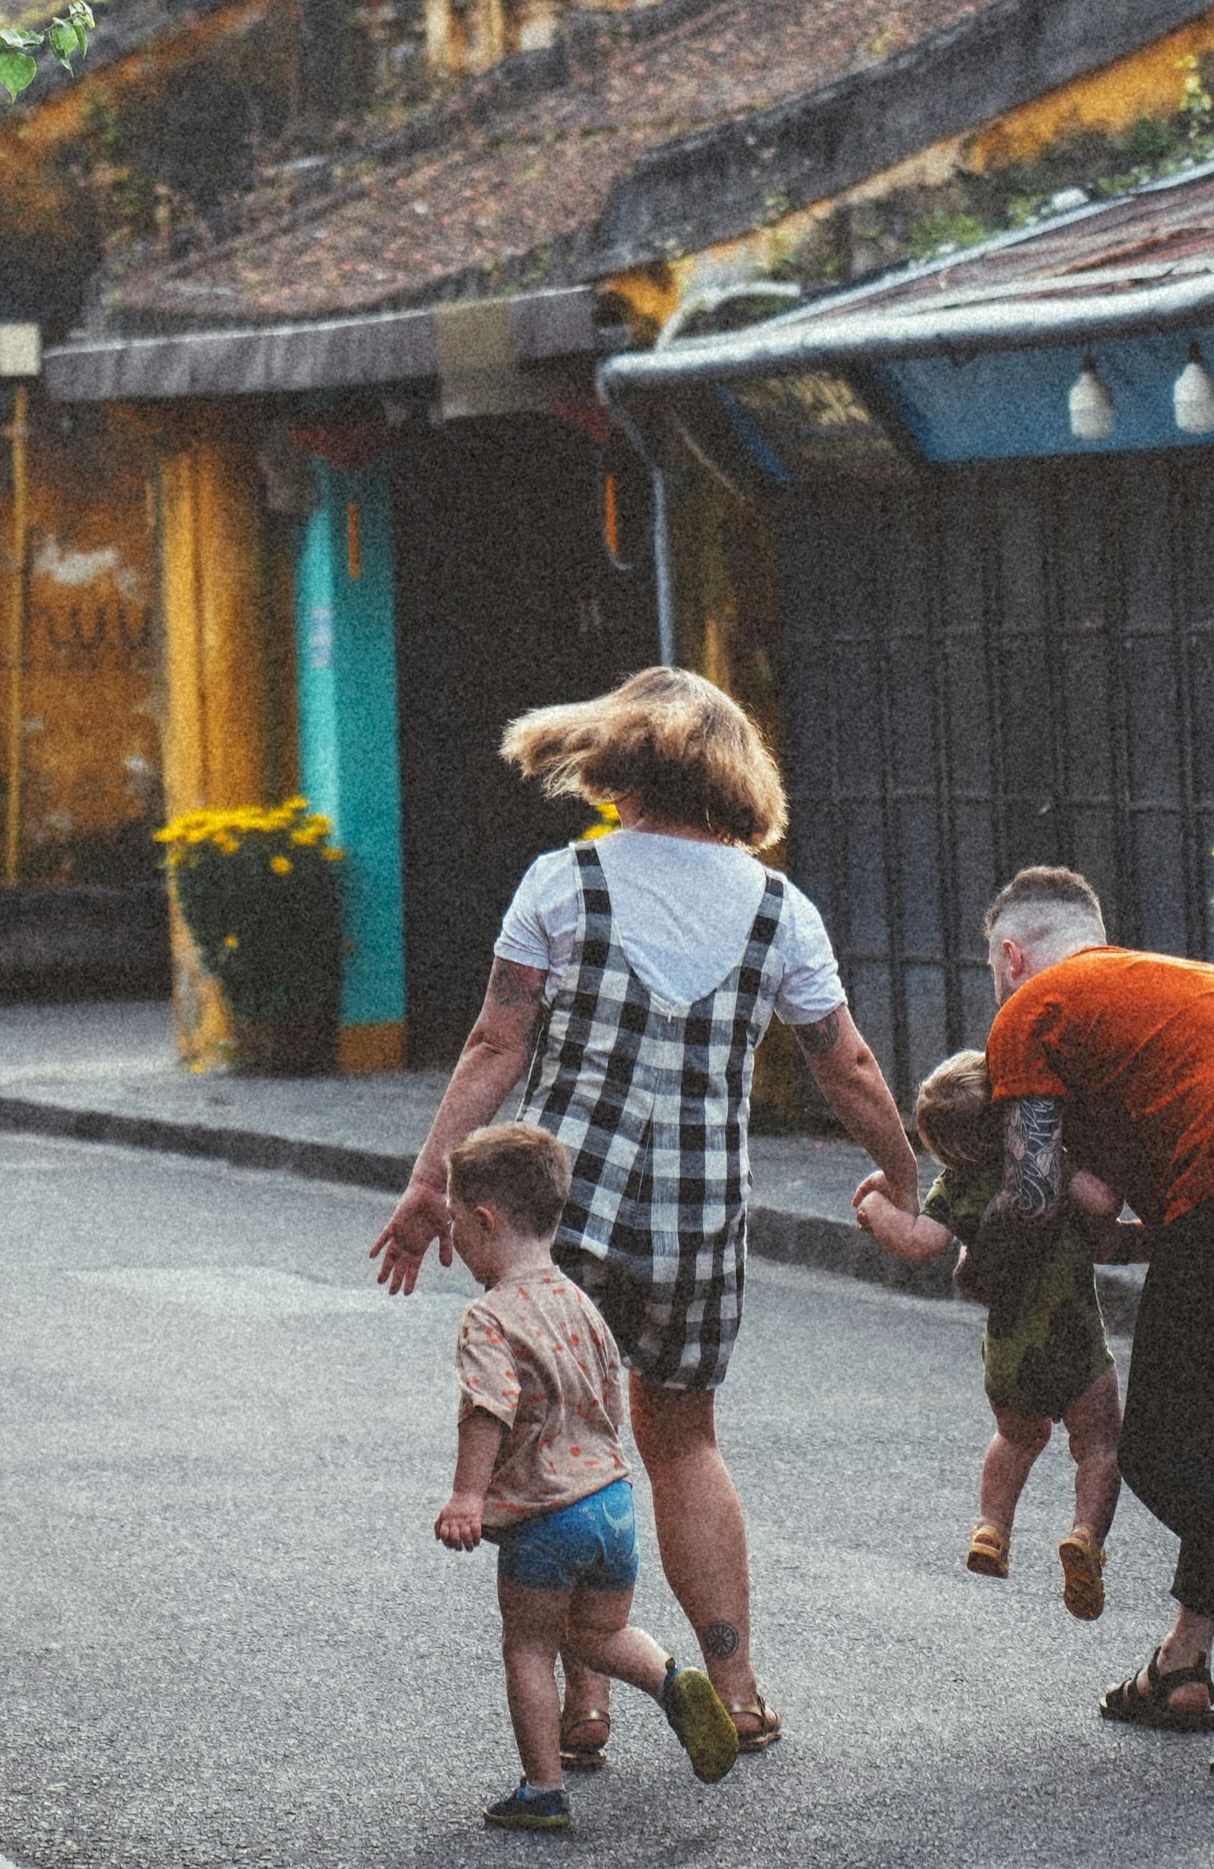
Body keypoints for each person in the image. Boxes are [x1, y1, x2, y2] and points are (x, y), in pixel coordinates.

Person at [370, 666, 921, 1759]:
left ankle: (585, 1704)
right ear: (730, 779)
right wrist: (903, 1178)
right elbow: (845, 1064)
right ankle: (739, 1682)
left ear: (618, 773)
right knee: (683, 1440)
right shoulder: (779, 907)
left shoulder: (565, 884)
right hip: (700, 1220)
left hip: (561, 1213)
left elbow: (496, 1042)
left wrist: (432, 1182)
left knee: (564, 1442)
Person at [858, 864, 1214, 1776]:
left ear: (1011, 954)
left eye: (994, 970)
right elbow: (1149, 1225)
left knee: (1158, 1452)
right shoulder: (1167, 988)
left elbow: (1025, 1194)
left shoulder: (1033, 1007)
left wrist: (979, 1269)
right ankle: (1181, 1665)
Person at [432, 1121, 743, 1835]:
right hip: (611, 1503)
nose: (455, 1243)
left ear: (486, 1220)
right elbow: (607, 1393)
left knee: (529, 1645)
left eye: (456, 1225)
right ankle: (670, 1678)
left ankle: (541, 1788)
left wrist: (467, 1495)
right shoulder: (580, 1303)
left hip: (546, 1516)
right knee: (599, 1630)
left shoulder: (489, 1317)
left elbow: (487, 1407)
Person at [861, 1050, 1122, 1619]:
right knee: (1099, 1448)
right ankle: (1085, 1539)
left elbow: (917, 1244)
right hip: (1074, 1340)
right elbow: (1104, 1204)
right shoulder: (1050, 1163)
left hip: (1009, 1353)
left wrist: (877, 1206)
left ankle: (991, 1529)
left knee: (1018, 1439)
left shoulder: (956, 1187)